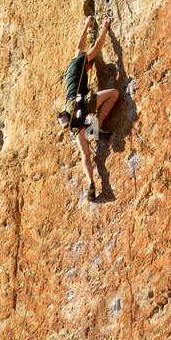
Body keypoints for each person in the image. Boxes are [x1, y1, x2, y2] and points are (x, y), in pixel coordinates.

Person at [58, 14, 119, 201]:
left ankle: (92, 184)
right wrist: (104, 28)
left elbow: (79, 47)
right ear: (88, 63)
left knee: (85, 153)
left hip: (70, 112)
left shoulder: (71, 66)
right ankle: (96, 127)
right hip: (81, 102)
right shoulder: (82, 62)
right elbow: (95, 48)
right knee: (114, 94)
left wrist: (86, 25)